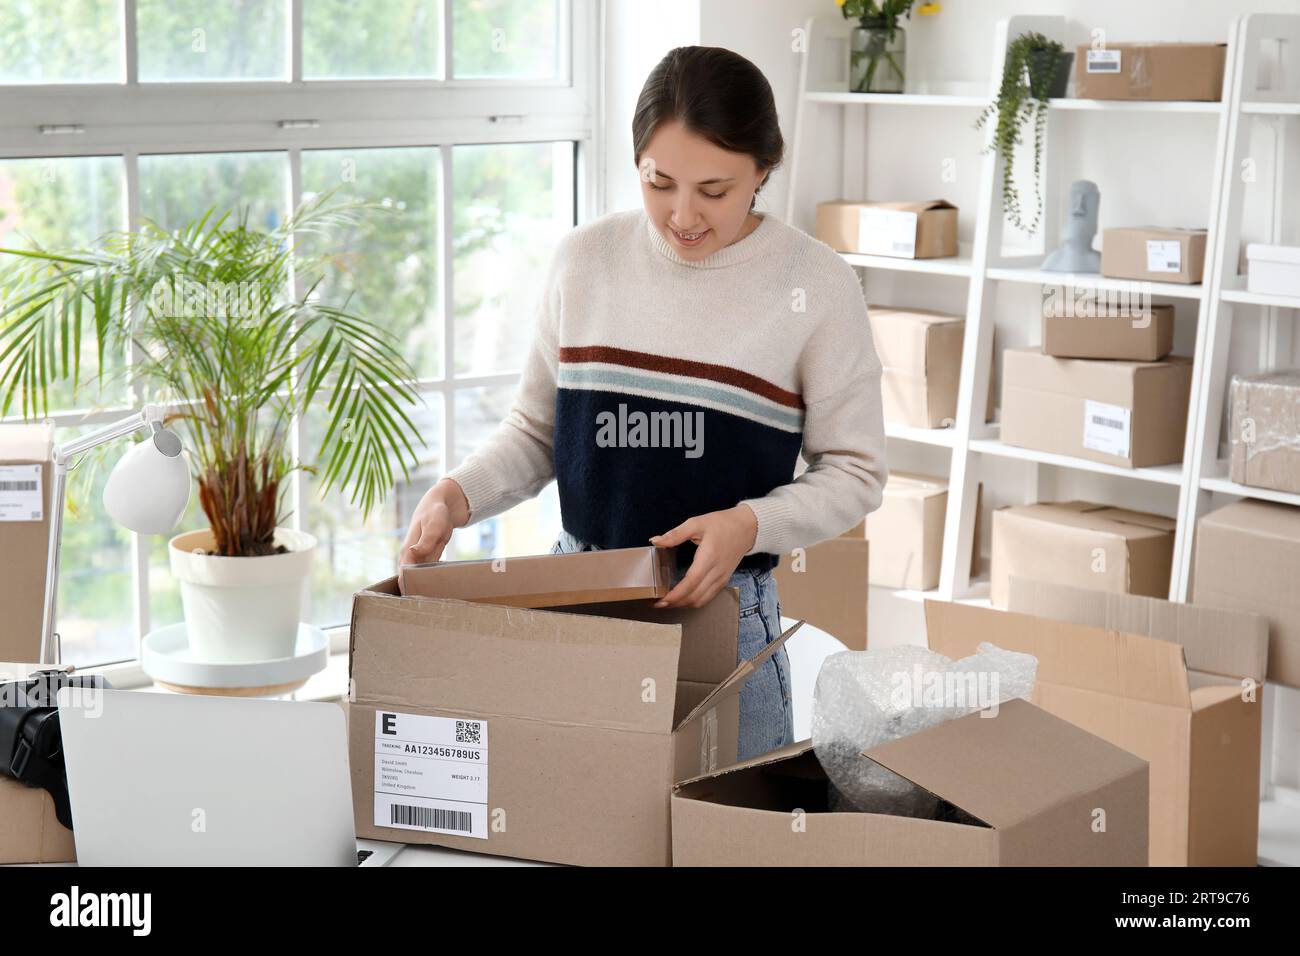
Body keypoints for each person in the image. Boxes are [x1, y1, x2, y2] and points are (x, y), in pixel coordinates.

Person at [400, 45, 887, 761]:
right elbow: (538, 433)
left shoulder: (815, 284)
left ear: (764, 169)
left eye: (714, 190)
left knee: (722, 843)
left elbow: (856, 470)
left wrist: (750, 524)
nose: (682, 215)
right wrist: (456, 495)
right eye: (659, 182)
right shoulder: (585, 260)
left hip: (723, 619)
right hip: (579, 602)